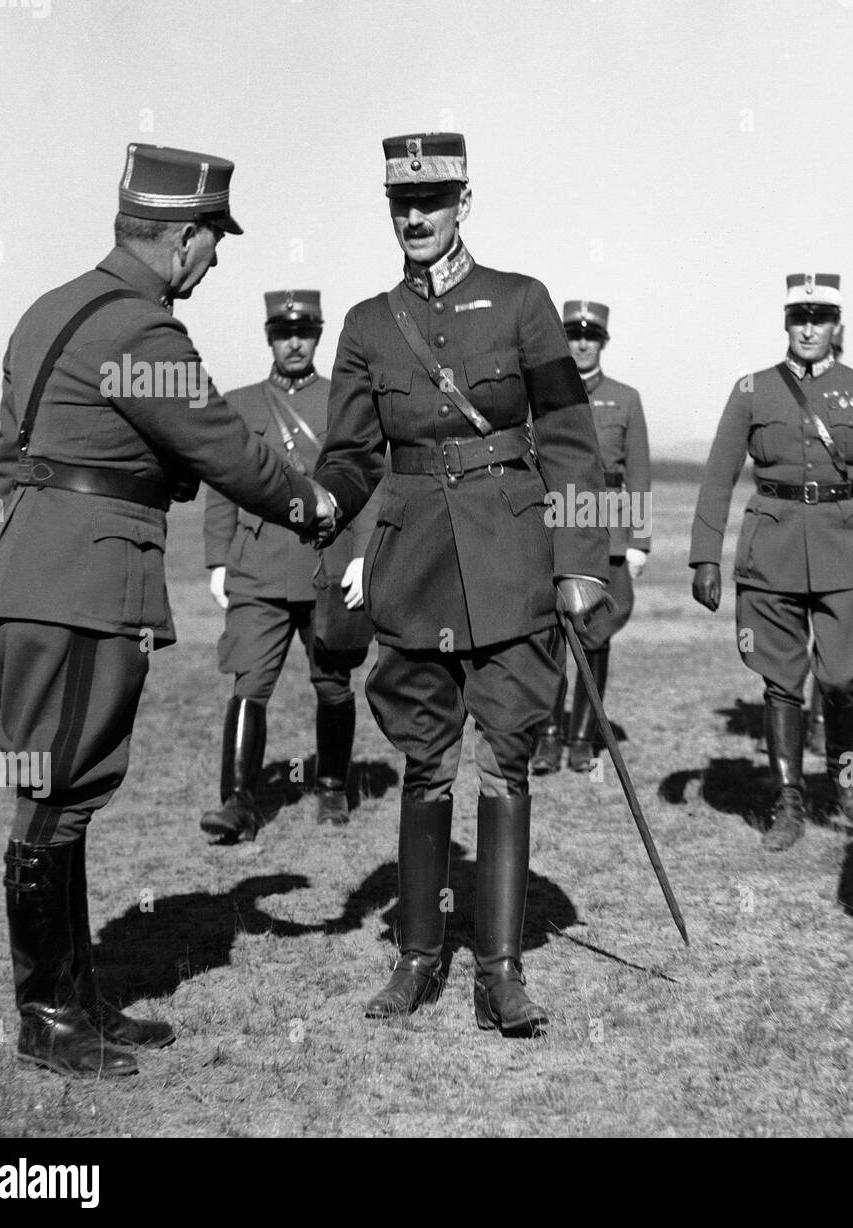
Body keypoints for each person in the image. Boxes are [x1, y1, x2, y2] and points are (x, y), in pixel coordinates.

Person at [0, 144, 334, 1078]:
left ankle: (81, 1000)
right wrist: (314, 505)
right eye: (213, 242)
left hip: (22, 583)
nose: (215, 263)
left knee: (64, 798)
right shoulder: (146, 336)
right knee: (56, 801)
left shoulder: (50, 309)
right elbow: (225, 452)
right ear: (178, 239)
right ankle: (47, 1016)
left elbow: (17, 458)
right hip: (81, 594)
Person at [311, 132, 609, 1037]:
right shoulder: (366, 325)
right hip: (416, 566)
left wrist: (580, 563)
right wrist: (334, 515)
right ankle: (416, 957)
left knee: (507, 757)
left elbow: (568, 440)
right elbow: (353, 456)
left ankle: (502, 970)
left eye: (432, 201)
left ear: (463, 203)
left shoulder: (523, 303)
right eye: (402, 203)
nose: (415, 217)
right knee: (425, 758)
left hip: (512, 560)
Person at [690, 273, 853, 851]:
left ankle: (843, 774)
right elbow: (718, 476)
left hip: (847, 551)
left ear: (837, 325)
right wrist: (704, 557)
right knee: (780, 682)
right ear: (785, 322)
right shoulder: (751, 389)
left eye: (820, 317)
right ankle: (788, 800)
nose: (808, 327)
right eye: (798, 317)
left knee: (839, 676)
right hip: (773, 551)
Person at [201, 290, 380, 839]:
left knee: (332, 682)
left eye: (304, 332)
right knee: (248, 683)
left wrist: (364, 555)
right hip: (256, 567)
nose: (294, 342)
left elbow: (370, 481)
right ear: (269, 338)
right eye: (283, 333)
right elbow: (223, 487)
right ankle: (238, 802)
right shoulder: (239, 403)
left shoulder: (343, 402)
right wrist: (217, 561)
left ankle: (330, 788)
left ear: (319, 336)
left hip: (326, 562)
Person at [530, 299, 651, 774]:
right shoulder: (539, 391)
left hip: (607, 524)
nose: (582, 343)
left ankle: (582, 737)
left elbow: (638, 472)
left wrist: (639, 540)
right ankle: (548, 735)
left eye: (591, 336)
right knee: (548, 637)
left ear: (603, 342)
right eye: (574, 335)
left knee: (596, 635)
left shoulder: (625, 398)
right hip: (552, 521)